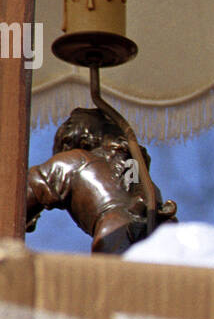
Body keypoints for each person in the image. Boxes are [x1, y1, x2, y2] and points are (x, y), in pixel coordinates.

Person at [26, 107, 177, 254]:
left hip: (115, 231)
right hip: (160, 235)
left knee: (110, 277)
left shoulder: (74, 160)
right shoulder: (132, 166)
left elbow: (24, 193)